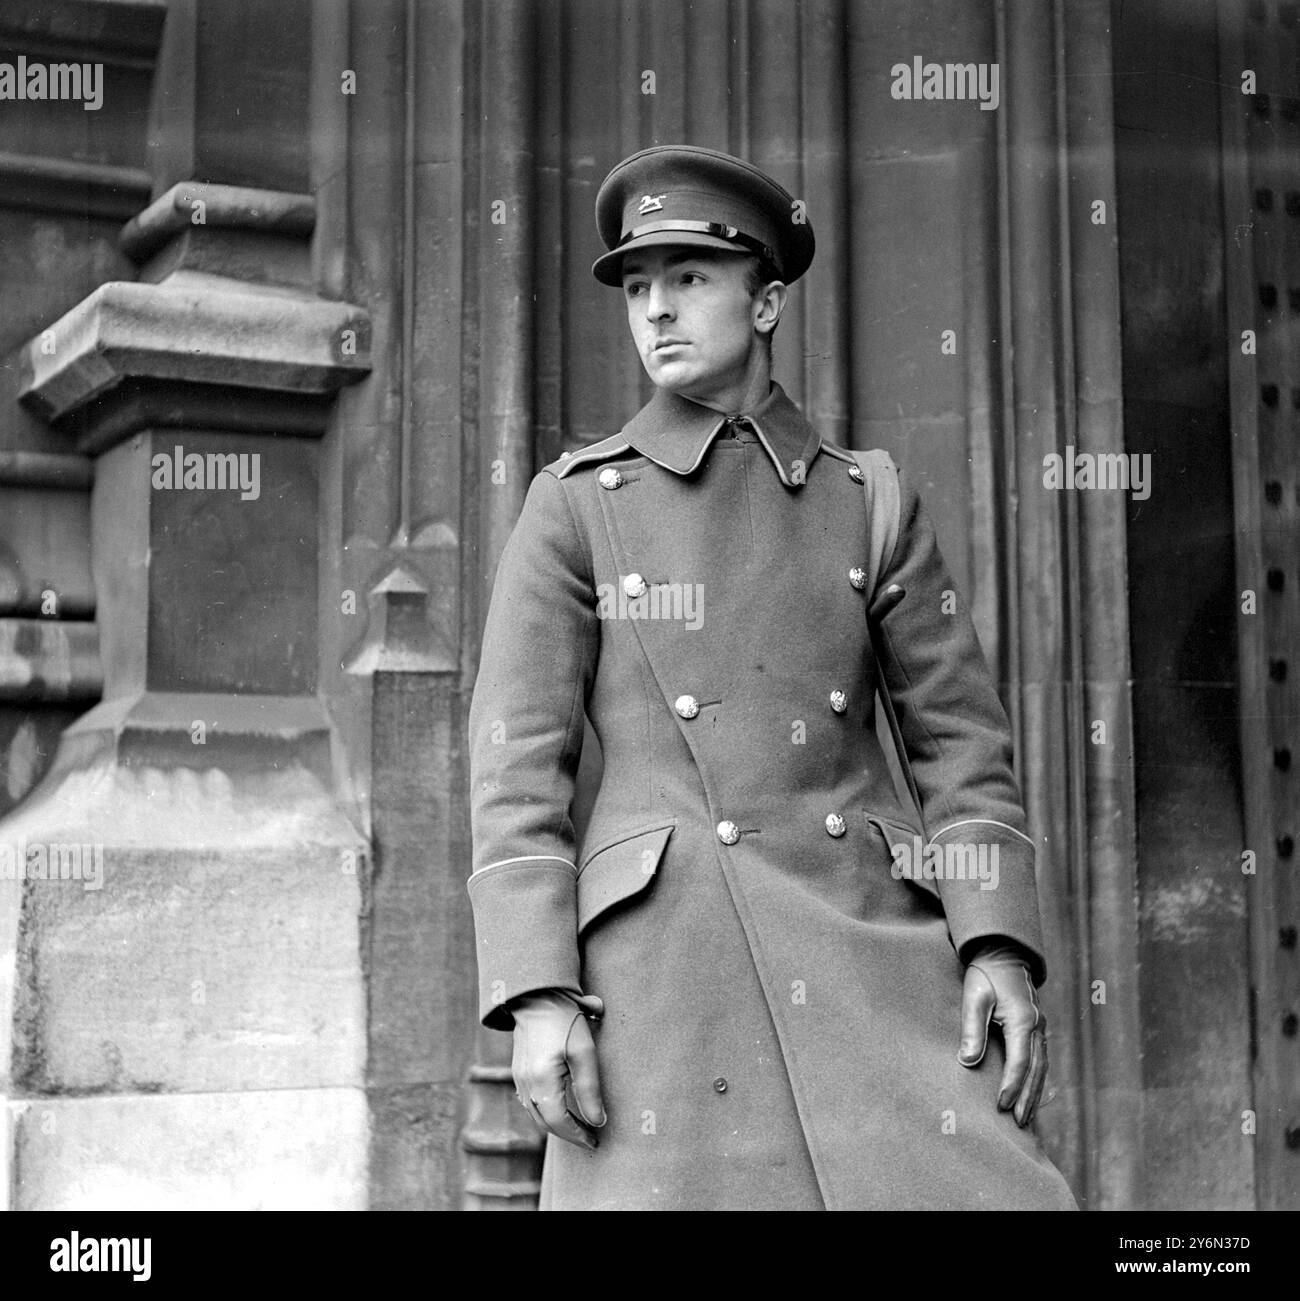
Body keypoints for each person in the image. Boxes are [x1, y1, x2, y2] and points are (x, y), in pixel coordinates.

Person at [467, 144, 1078, 1210]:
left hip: (864, 940)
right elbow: (516, 772)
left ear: (767, 300)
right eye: (638, 286)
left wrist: (995, 942)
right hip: (666, 976)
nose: (655, 309)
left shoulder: (867, 500)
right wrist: (537, 992)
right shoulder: (577, 504)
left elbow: (961, 746)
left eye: (689, 278)